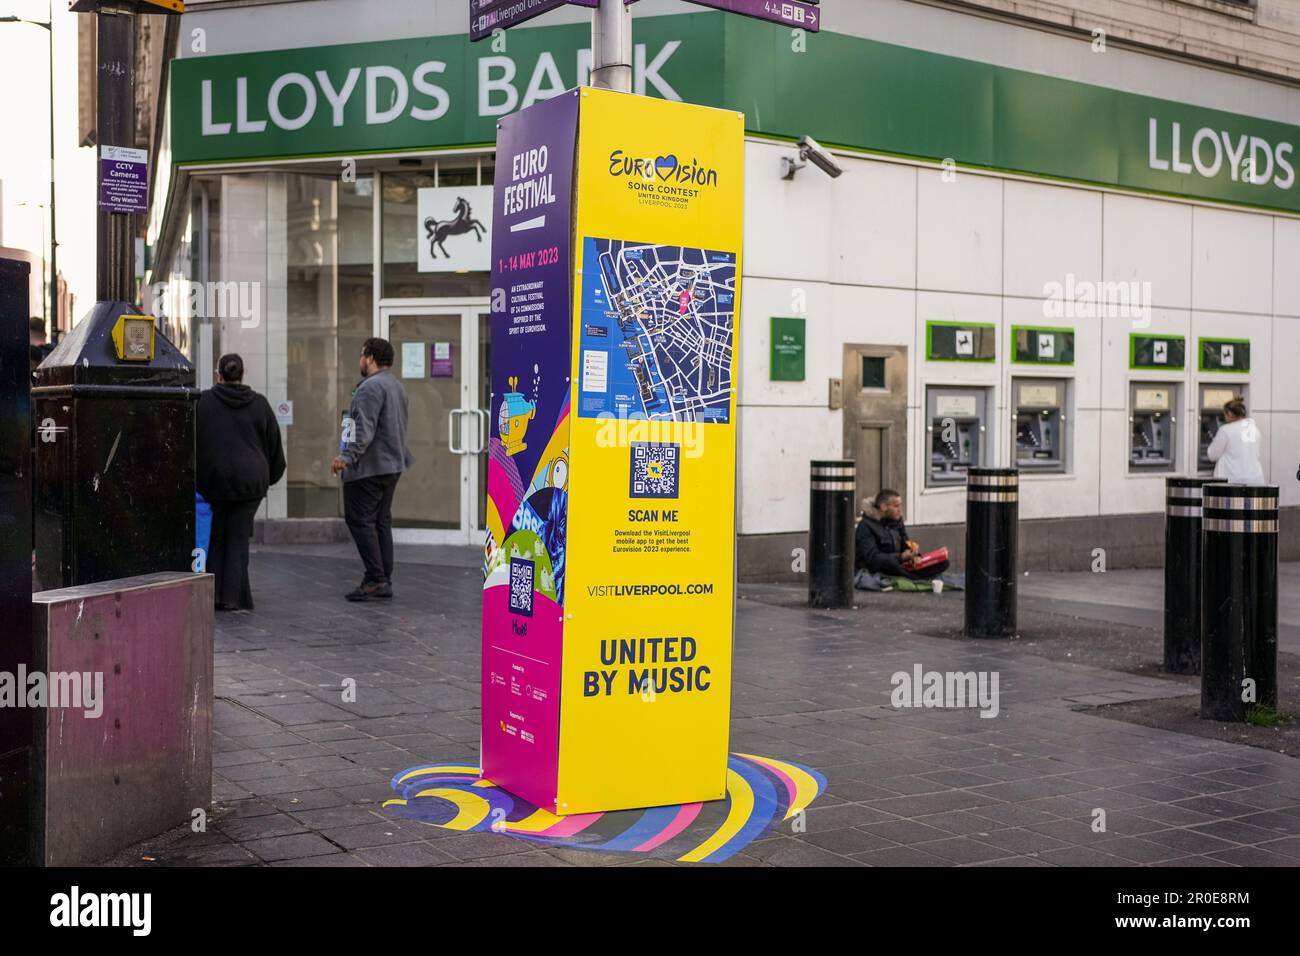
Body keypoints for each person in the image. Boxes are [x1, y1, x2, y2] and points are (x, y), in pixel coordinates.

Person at [196, 354, 286, 610]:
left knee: (216, 537)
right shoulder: (259, 404)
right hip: (250, 482)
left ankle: (215, 595)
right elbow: (274, 446)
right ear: (242, 374)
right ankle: (236, 596)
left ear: (219, 375)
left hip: (214, 481)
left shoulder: (203, 403)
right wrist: (269, 476)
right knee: (238, 538)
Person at [331, 337, 414, 602]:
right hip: (392, 464)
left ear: (370, 357)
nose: (360, 360)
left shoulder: (369, 388)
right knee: (381, 521)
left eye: (361, 354)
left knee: (360, 520)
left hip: (369, 467)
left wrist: (346, 457)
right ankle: (383, 578)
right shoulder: (396, 386)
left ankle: (376, 578)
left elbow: (362, 429)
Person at [855, 489, 949, 581]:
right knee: (893, 566)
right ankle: (913, 576)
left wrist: (914, 555)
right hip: (880, 567)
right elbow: (872, 559)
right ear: (883, 507)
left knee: (943, 562)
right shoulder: (866, 526)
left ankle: (913, 575)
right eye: (896, 506)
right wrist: (900, 557)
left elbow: (906, 542)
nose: (900, 510)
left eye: (900, 505)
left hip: (900, 563)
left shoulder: (897, 520)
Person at [1206, 398, 1265, 485]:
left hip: (1233, 481)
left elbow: (1212, 455)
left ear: (1230, 414)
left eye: (1224, 415)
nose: (1224, 418)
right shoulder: (1255, 430)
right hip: (1255, 480)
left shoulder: (1226, 430)